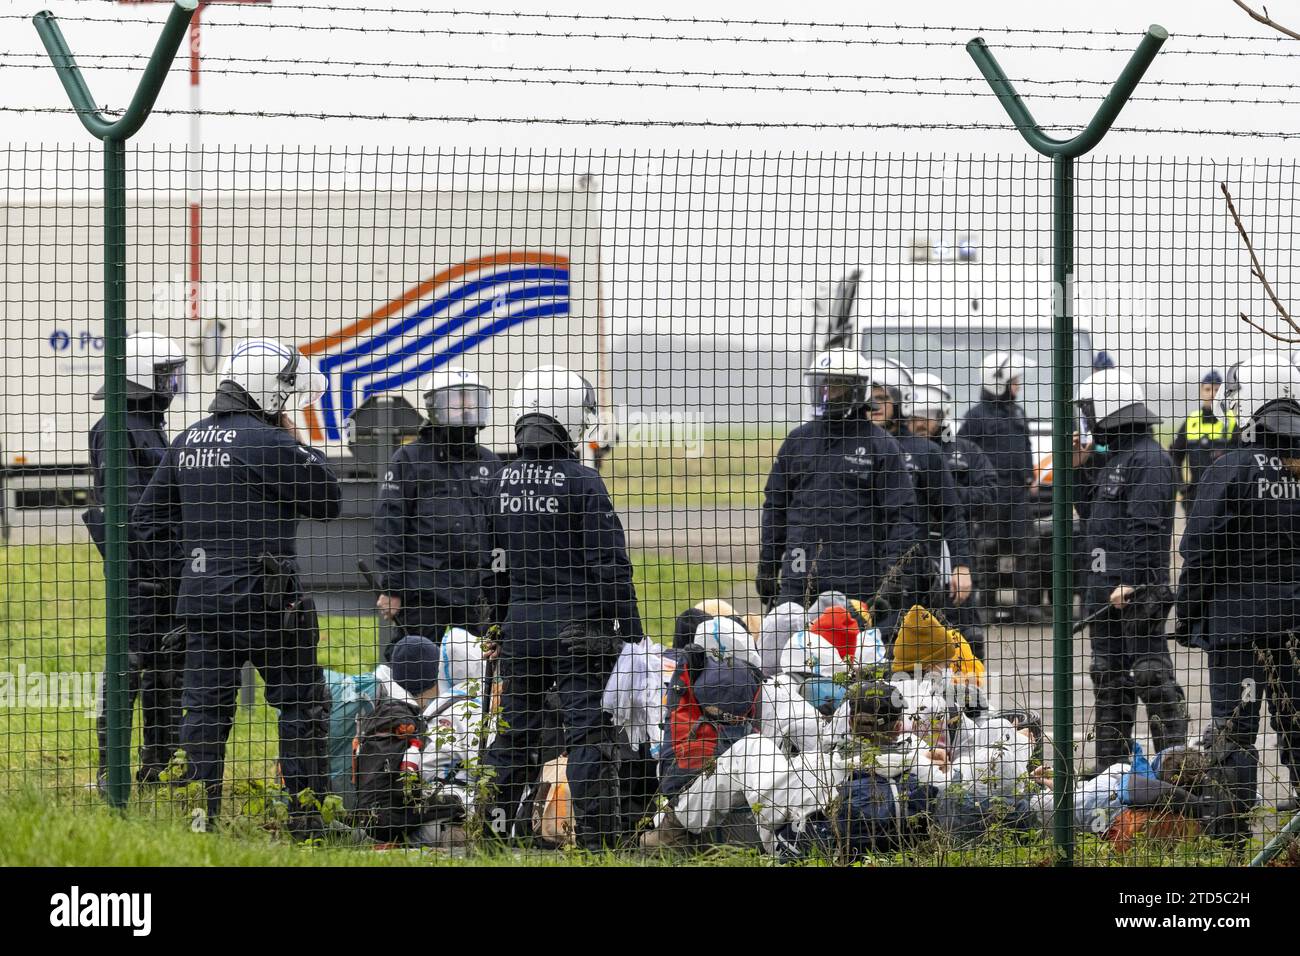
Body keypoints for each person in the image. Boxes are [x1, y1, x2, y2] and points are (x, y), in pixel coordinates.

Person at [131, 338, 341, 835]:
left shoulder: (187, 440)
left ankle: (202, 817)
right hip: (271, 604)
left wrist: (186, 572)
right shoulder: (269, 443)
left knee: (204, 711)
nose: (290, 405)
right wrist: (294, 441)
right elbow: (328, 499)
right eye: (287, 395)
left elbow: (145, 522)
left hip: (203, 604)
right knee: (301, 704)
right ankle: (307, 820)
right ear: (269, 392)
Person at [481, 365, 644, 850]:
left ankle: (491, 836)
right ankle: (598, 845)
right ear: (570, 418)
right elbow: (611, 565)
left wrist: (499, 626)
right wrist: (632, 632)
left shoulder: (500, 482)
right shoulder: (583, 482)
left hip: (521, 628)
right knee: (587, 735)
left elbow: (493, 568)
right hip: (579, 629)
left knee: (514, 735)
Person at [1176, 353, 1300, 836]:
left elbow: (1199, 552)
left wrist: (1188, 616)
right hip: (1294, 628)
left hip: (1237, 631)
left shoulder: (1231, 468)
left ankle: (1228, 840)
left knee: (1235, 735)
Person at [83, 332, 188, 789]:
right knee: (128, 665)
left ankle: (156, 761)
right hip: (141, 576)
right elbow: (130, 511)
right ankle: (113, 771)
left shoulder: (147, 424)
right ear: (143, 378)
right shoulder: (117, 426)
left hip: (163, 573)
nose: (173, 384)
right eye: (166, 375)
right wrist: (164, 570)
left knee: (167, 666)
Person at [757, 347, 920, 624]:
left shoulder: (880, 446)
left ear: (857, 389)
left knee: (856, 662)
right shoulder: (798, 441)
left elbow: (902, 516)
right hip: (799, 578)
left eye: (836, 384)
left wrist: (891, 578)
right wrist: (768, 565)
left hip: (858, 581)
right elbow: (776, 507)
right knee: (785, 653)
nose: (827, 391)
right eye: (824, 383)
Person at [1073, 369, 1186, 768]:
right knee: (1109, 681)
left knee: (1151, 677)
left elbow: (1146, 528)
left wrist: (1132, 583)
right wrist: (1078, 467)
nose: (1085, 419)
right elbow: (1091, 514)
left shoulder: (1149, 458)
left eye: (1088, 410)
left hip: (1135, 594)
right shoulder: (1114, 458)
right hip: (1104, 593)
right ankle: (1111, 774)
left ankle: (1175, 776)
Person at [372, 367, 502, 658]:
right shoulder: (410, 459)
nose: (466, 409)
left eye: (472, 402)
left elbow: (503, 531)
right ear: (435, 406)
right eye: (457, 402)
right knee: (414, 667)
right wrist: (392, 588)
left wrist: (503, 591)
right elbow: (389, 525)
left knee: (484, 670)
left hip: (477, 594)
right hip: (424, 591)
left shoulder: (491, 464)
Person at [324, 632, 485, 844]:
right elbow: (484, 770)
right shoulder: (461, 710)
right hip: (435, 814)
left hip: (385, 811)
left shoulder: (388, 710)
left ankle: (364, 836)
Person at [871, 362, 975, 629]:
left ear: (899, 400)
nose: (875, 406)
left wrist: (961, 566)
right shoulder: (850, 447)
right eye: (870, 399)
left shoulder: (925, 452)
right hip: (858, 564)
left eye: (883, 398)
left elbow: (951, 512)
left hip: (912, 570)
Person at [906, 371, 999, 659]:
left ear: (942, 414)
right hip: (910, 555)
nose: (919, 422)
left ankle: (972, 698)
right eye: (914, 415)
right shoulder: (894, 450)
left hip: (956, 554)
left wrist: (946, 495)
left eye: (928, 415)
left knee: (967, 635)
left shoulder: (965, 451)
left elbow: (990, 492)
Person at [959, 352, 1041, 623]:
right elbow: (962, 454)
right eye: (1014, 380)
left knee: (1026, 547)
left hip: (1018, 493)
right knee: (987, 548)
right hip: (992, 495)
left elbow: (1026, 445)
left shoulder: (1017, 412)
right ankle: (987, 606)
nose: (1017, 386)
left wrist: (1030, 476)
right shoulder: (975, 417)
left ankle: (1025, 605)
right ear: (999, 382)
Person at [1170, 369, 1238, 511]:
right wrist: (1182, 488)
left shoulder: (1234, 421)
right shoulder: (1191, 421)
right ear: (1201, 392)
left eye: (1216, 389)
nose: (1212, 394)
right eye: (1207, 389)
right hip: (1196, 497)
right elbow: (1174, 456)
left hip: (1226, 498)